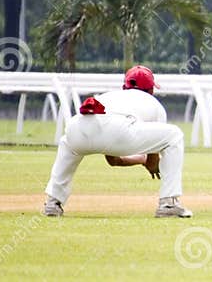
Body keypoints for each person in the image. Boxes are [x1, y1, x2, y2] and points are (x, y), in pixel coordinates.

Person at [42, 65, 191, 218]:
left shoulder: (111, 96)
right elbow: (152, 161)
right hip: (118, 128)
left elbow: (113, 159)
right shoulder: (155, 105)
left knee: (67, 144)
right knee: (174, 135)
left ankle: (53, 203)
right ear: (151, 90)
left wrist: (141, 160)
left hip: (77, 127)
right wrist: (148, 162)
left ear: (124, 87)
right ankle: (169, 204)